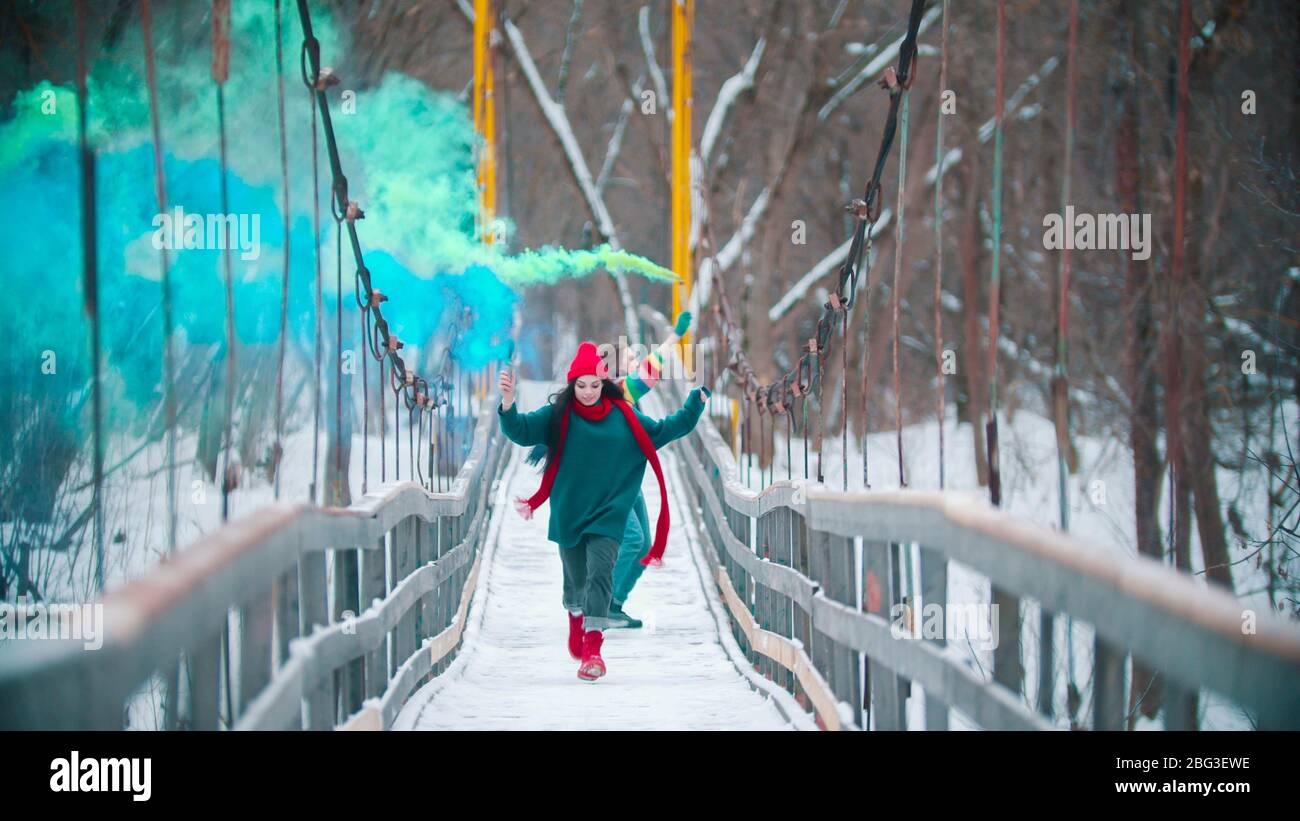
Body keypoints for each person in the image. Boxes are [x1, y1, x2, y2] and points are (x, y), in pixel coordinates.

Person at [497, 339, 709, 681]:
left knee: (600, 573)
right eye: (581, 386)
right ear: (571, 385)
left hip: (610, 513)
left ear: (605, 383)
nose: (588, 392)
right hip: (570, 513)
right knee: (576, 582)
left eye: (595, 385)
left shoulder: (624, 416)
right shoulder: (558, 416)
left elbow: (666, 430)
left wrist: (694, 404)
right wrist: (508, 402)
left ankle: (593, 651)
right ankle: (576, 615)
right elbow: (519, 431)